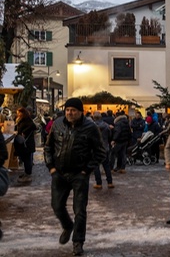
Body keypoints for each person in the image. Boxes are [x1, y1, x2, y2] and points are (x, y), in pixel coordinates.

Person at [44, 97, 107, 256]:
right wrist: (51, 167)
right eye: (67, 110)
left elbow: (100, 152)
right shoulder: (58, 124)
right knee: (57, 205)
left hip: (79, 174)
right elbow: (48, 147)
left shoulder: (90, 127)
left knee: (79, 210)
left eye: (73, 110)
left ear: (80, 112)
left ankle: (78, 242)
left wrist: (87, 169)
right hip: (59, 173)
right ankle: (67, 226)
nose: (70, 113)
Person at [91, 112, 114, 189]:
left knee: (96, 166)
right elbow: (110, 135)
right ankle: (110, 182)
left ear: (94, 117)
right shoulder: (106, 125)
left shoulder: (92, 126)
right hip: (105, 147)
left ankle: (99, 183)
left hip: (95, 148)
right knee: (106, 165)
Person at [14, 107, 37, 183]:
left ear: (23, 113)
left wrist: (24, 132)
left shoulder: (27, 120)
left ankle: (28, 175)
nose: (18, 114)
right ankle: (26, 173)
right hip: (23, 143)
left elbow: (33, 126)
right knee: (25, 158)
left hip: (27, 143)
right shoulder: (21, 119)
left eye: (19, 112)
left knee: (27, 159)